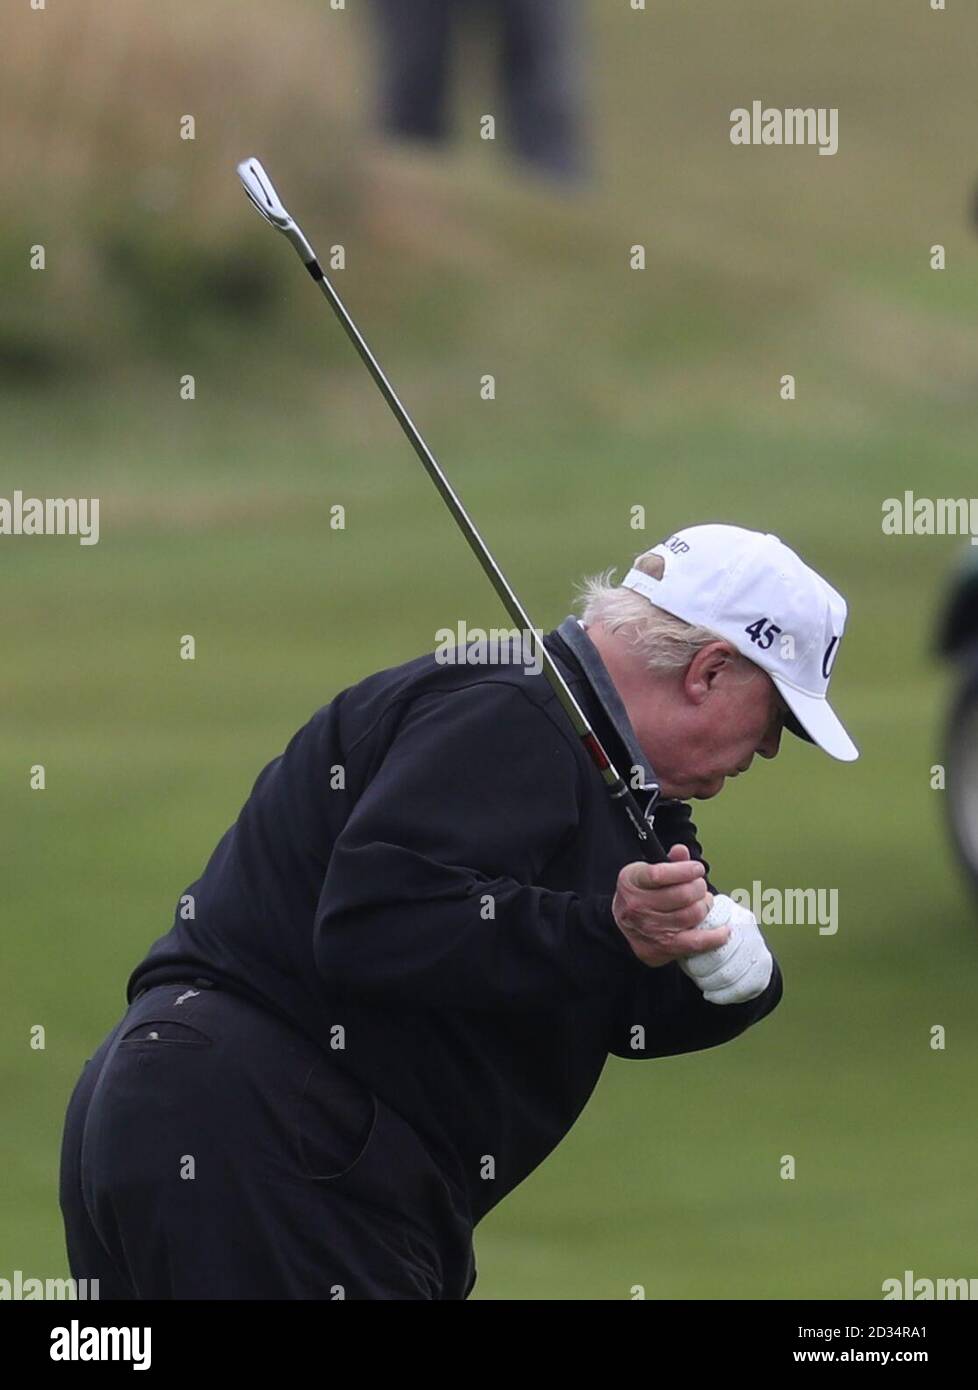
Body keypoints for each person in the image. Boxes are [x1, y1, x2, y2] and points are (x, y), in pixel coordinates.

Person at [59, 523, 857, 1300]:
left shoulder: (620, 783)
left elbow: (620, 999)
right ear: (709, 671)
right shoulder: (514, 715)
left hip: (212, 1127)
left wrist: (734, 979)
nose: (769, 750)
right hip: (266, 1139)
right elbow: (373, 924)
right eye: (775, 718)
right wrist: (608, 930)